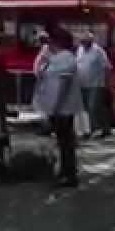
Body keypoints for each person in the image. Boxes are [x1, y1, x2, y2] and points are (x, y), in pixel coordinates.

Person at [35, 27, 81, 188]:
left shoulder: (67, 58)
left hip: (64, 108)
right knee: (62, 142)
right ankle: (64, 172)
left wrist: (56, 105)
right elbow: (41, 71)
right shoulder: (56, 58)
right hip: (58, 107)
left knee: (66, 143)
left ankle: (69, 174)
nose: (49, 44)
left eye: (51, 41)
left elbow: (64, 83)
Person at [76, 32, 113, 138]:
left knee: (93, 107)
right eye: (81, 41)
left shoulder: (98, 51)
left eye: (85, 41)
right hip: (82, 83)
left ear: (90, 42)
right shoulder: (80, 50)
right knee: (85, 109)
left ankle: (96, 129)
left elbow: (107, 67)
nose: (82, 43)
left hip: (96, 84)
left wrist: (107, 84)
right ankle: (90, 129)